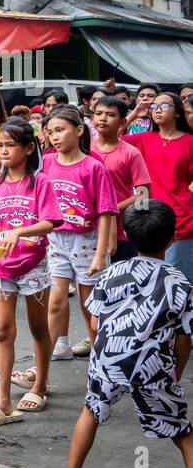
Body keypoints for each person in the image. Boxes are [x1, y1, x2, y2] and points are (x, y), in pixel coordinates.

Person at [57, 201, 193, 468]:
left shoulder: (111, 273)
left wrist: (102, 357)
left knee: (90, 412)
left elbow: (94, 320)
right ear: (172, 238)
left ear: (128, 237)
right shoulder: (181, 283)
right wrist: (174, 375)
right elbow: (185, 340)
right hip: (154, 368)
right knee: (183, 433)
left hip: (108, 362)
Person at [0, 117, 62, 421]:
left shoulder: (40, 182)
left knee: (38, 328)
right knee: (2, 331)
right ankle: (3, 398)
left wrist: (20, 232)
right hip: (0, 268)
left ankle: (40, 385)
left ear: (29, 148)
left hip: (34, 267)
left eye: (10, 145)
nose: (3, 151)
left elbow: (51, 222)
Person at [41, 105, 117, 369]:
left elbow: (106, 212)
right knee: (54, 302)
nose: (55, 137)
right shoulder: (46, 162)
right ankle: (42, 369)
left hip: (86, 242)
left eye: (60, 130)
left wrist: (100, 254)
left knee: (91, 308)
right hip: (56, 241)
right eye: (50, 132)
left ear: (80, 130)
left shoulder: (94, 167)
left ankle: (101, 361)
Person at [123, 92, 193, 283]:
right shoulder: (144, 139)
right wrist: (135, 113)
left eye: (163, 106)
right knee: (151, 281)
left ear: (177, 112)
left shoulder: (189, 142)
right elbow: (112, 135)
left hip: (182, 218)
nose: (157, 110)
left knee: (180, 281)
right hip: (148, 217)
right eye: (154, 107)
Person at [91, 95, 150, 265]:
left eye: (110, 114)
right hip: (87, 228)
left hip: (121, 232)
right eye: (99, 113)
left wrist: (112, 209)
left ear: (123, 122)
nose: (103, 118)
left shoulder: (131, 153)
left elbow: (143, 195)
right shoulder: (84, 148)